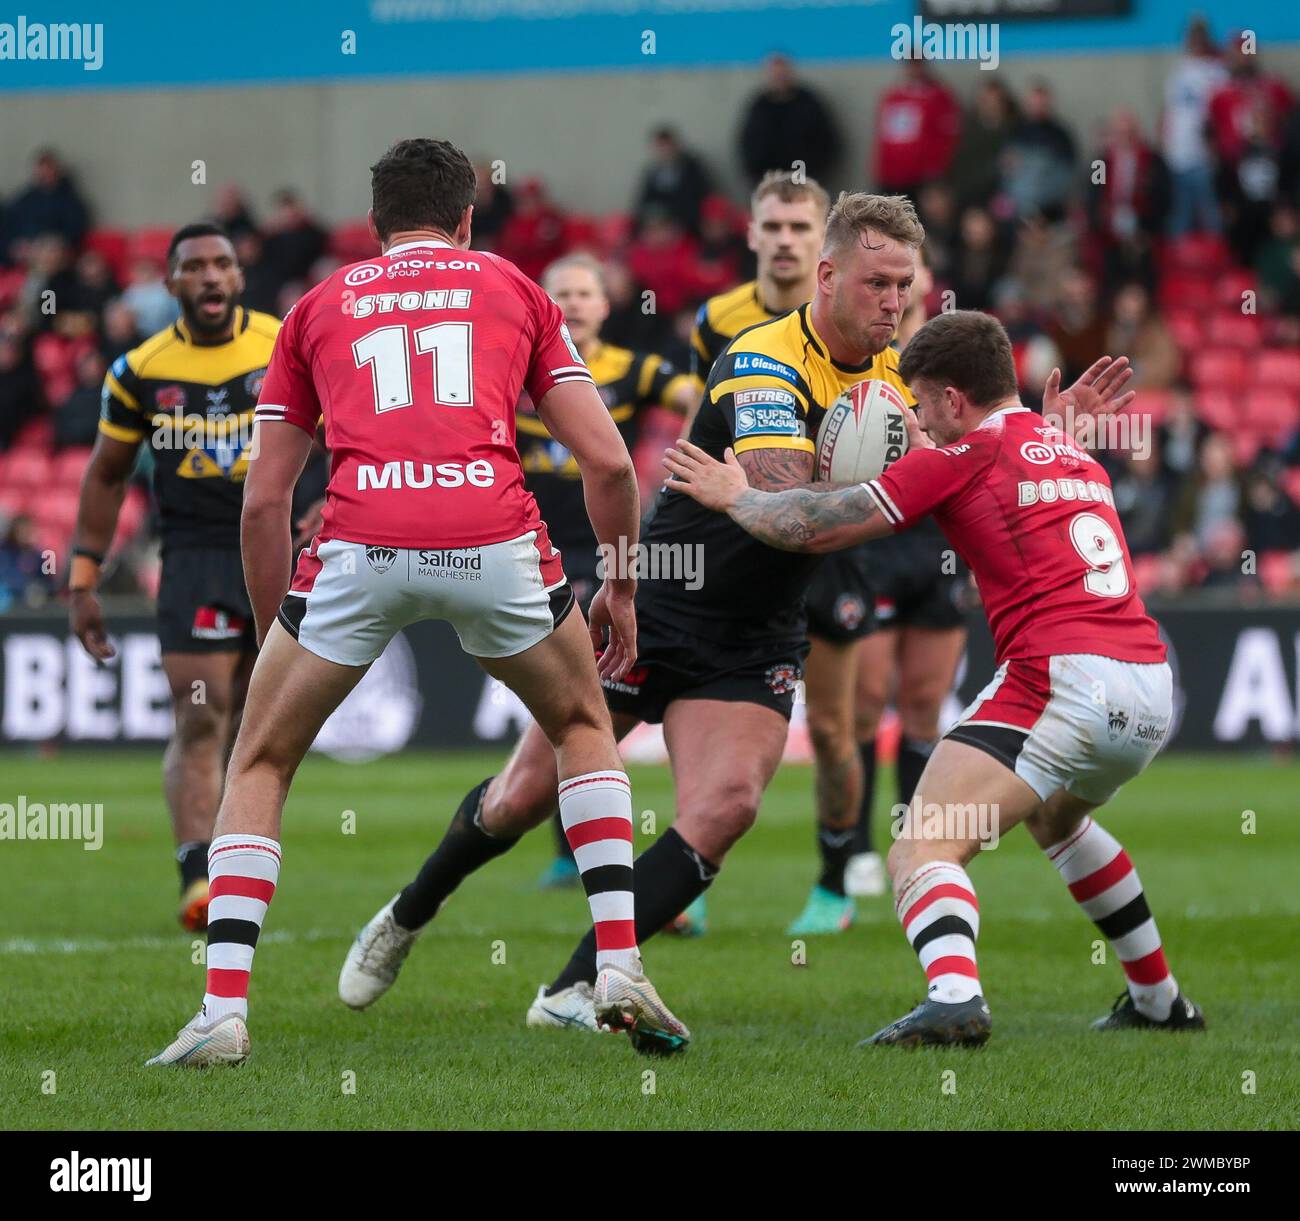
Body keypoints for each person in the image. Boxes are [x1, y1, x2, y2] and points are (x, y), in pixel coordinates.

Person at [146, 137, 688, 1068]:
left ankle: (222, 1012)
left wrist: (286, 625)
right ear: (468, 219)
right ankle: (619, 963)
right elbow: (607, 460)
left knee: (262, 756)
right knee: (581, 727)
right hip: (497, 537)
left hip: (361, 542)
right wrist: (622, 582)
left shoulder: (315, 308)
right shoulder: (516, 289)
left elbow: (266, 500)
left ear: (373, 225)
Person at [345, 191, 924, 1030]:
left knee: (727, 808)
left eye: (905, 285)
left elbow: (957, 456)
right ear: (828, 276)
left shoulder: (895, 375)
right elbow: (787, 516)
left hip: (755, 631)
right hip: (655, 605)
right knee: (520, 796)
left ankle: (572, 988)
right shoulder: (763, 358)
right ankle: (406, 913)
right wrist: (899, 488)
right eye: (879, 283)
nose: (895, 303)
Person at [663, 308, 1203, 1045]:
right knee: (1058, 817)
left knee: (922, 846)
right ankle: (1159, 999)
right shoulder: (1068, 448)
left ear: (953, 398)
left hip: (1064, 680)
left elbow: (815, 524)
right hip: (1147, 686)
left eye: (920, 403)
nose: (915, 420)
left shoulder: (963, 452)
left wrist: (736, 496)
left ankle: (954, 996)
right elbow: (1019, 479)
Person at [70, 223, 279, 931]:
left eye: (223, 263)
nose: (211, 277)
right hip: (192, 553)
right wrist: (81, 577)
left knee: (254, 721)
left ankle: (236, 857)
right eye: (195, 267)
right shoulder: (139, 370)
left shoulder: (284, 346)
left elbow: (340, 436)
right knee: (200, 713)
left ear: (239, 277)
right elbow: (106, 472)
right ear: (171, 284)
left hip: (276, 547)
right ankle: (198, 875)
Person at [690, 170, 881, 935]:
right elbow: (703, 424)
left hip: (830, 539)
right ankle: (690, 880)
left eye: (800, 229)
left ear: (822, 244)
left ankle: (835, 879)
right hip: (740, 542)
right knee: (706, 718)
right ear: (751, 234)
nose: (784, 240)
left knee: (832, 727)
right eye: (772, 227)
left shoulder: (860, 318)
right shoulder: (718, 322)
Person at [520, 252, 696, 888]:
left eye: (584, 292)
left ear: (603, 304)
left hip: (610, 549)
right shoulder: (517, 370)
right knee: (559, 698)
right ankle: (570, 845)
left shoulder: (630, 368)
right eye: (560, 291)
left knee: (593, 692)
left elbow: (694, 397)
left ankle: (588, 844)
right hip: (533, 547)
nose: (572, 302)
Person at [848, 243, 968, 901]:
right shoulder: (866, 366)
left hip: (936, 546)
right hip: (875, 539)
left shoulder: (951, 374)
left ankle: (911, 838)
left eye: (911, 291)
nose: (900, 303)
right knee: (866, 703)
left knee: (924, 703)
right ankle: (858, 849)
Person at [738, 53, 841, 189]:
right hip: (769, 181)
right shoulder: (759, 107)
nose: (779, 79)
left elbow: (827, 140)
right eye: (775, 75)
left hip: (805, 179)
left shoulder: (809, 103)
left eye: (782, 74)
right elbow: (748, 144)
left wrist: (815, 173)